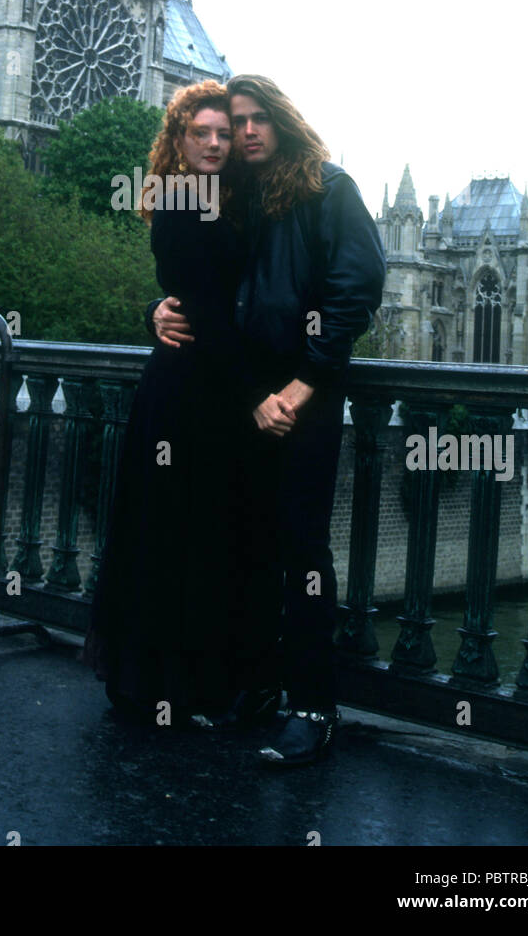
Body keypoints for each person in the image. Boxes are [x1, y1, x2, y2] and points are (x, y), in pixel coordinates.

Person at [151, 74, 386, 765]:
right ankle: (255, 690)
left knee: (302, 551)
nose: (245, 132)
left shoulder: (330, 188)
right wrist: (154, 312)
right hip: (240, 398)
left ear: (282, 121)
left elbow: (355, 293)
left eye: (257, 120)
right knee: (247, 545)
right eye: (236, 122)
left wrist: (304, 384)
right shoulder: (236, 195)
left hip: (300, 401)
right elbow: (200, 287)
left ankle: (313, 707)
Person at [83, 81, 280, 728]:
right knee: (172, 538)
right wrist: (257, 396)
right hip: (190, 391)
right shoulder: (177, 198)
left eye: (225, 133)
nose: (218, 143)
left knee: (201, 538)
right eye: (203, 133)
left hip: (211, 384)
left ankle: (185, 684)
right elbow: (200, 309)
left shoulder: (231, 195)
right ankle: (158, 687)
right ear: (178, 138)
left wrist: (154, 311)